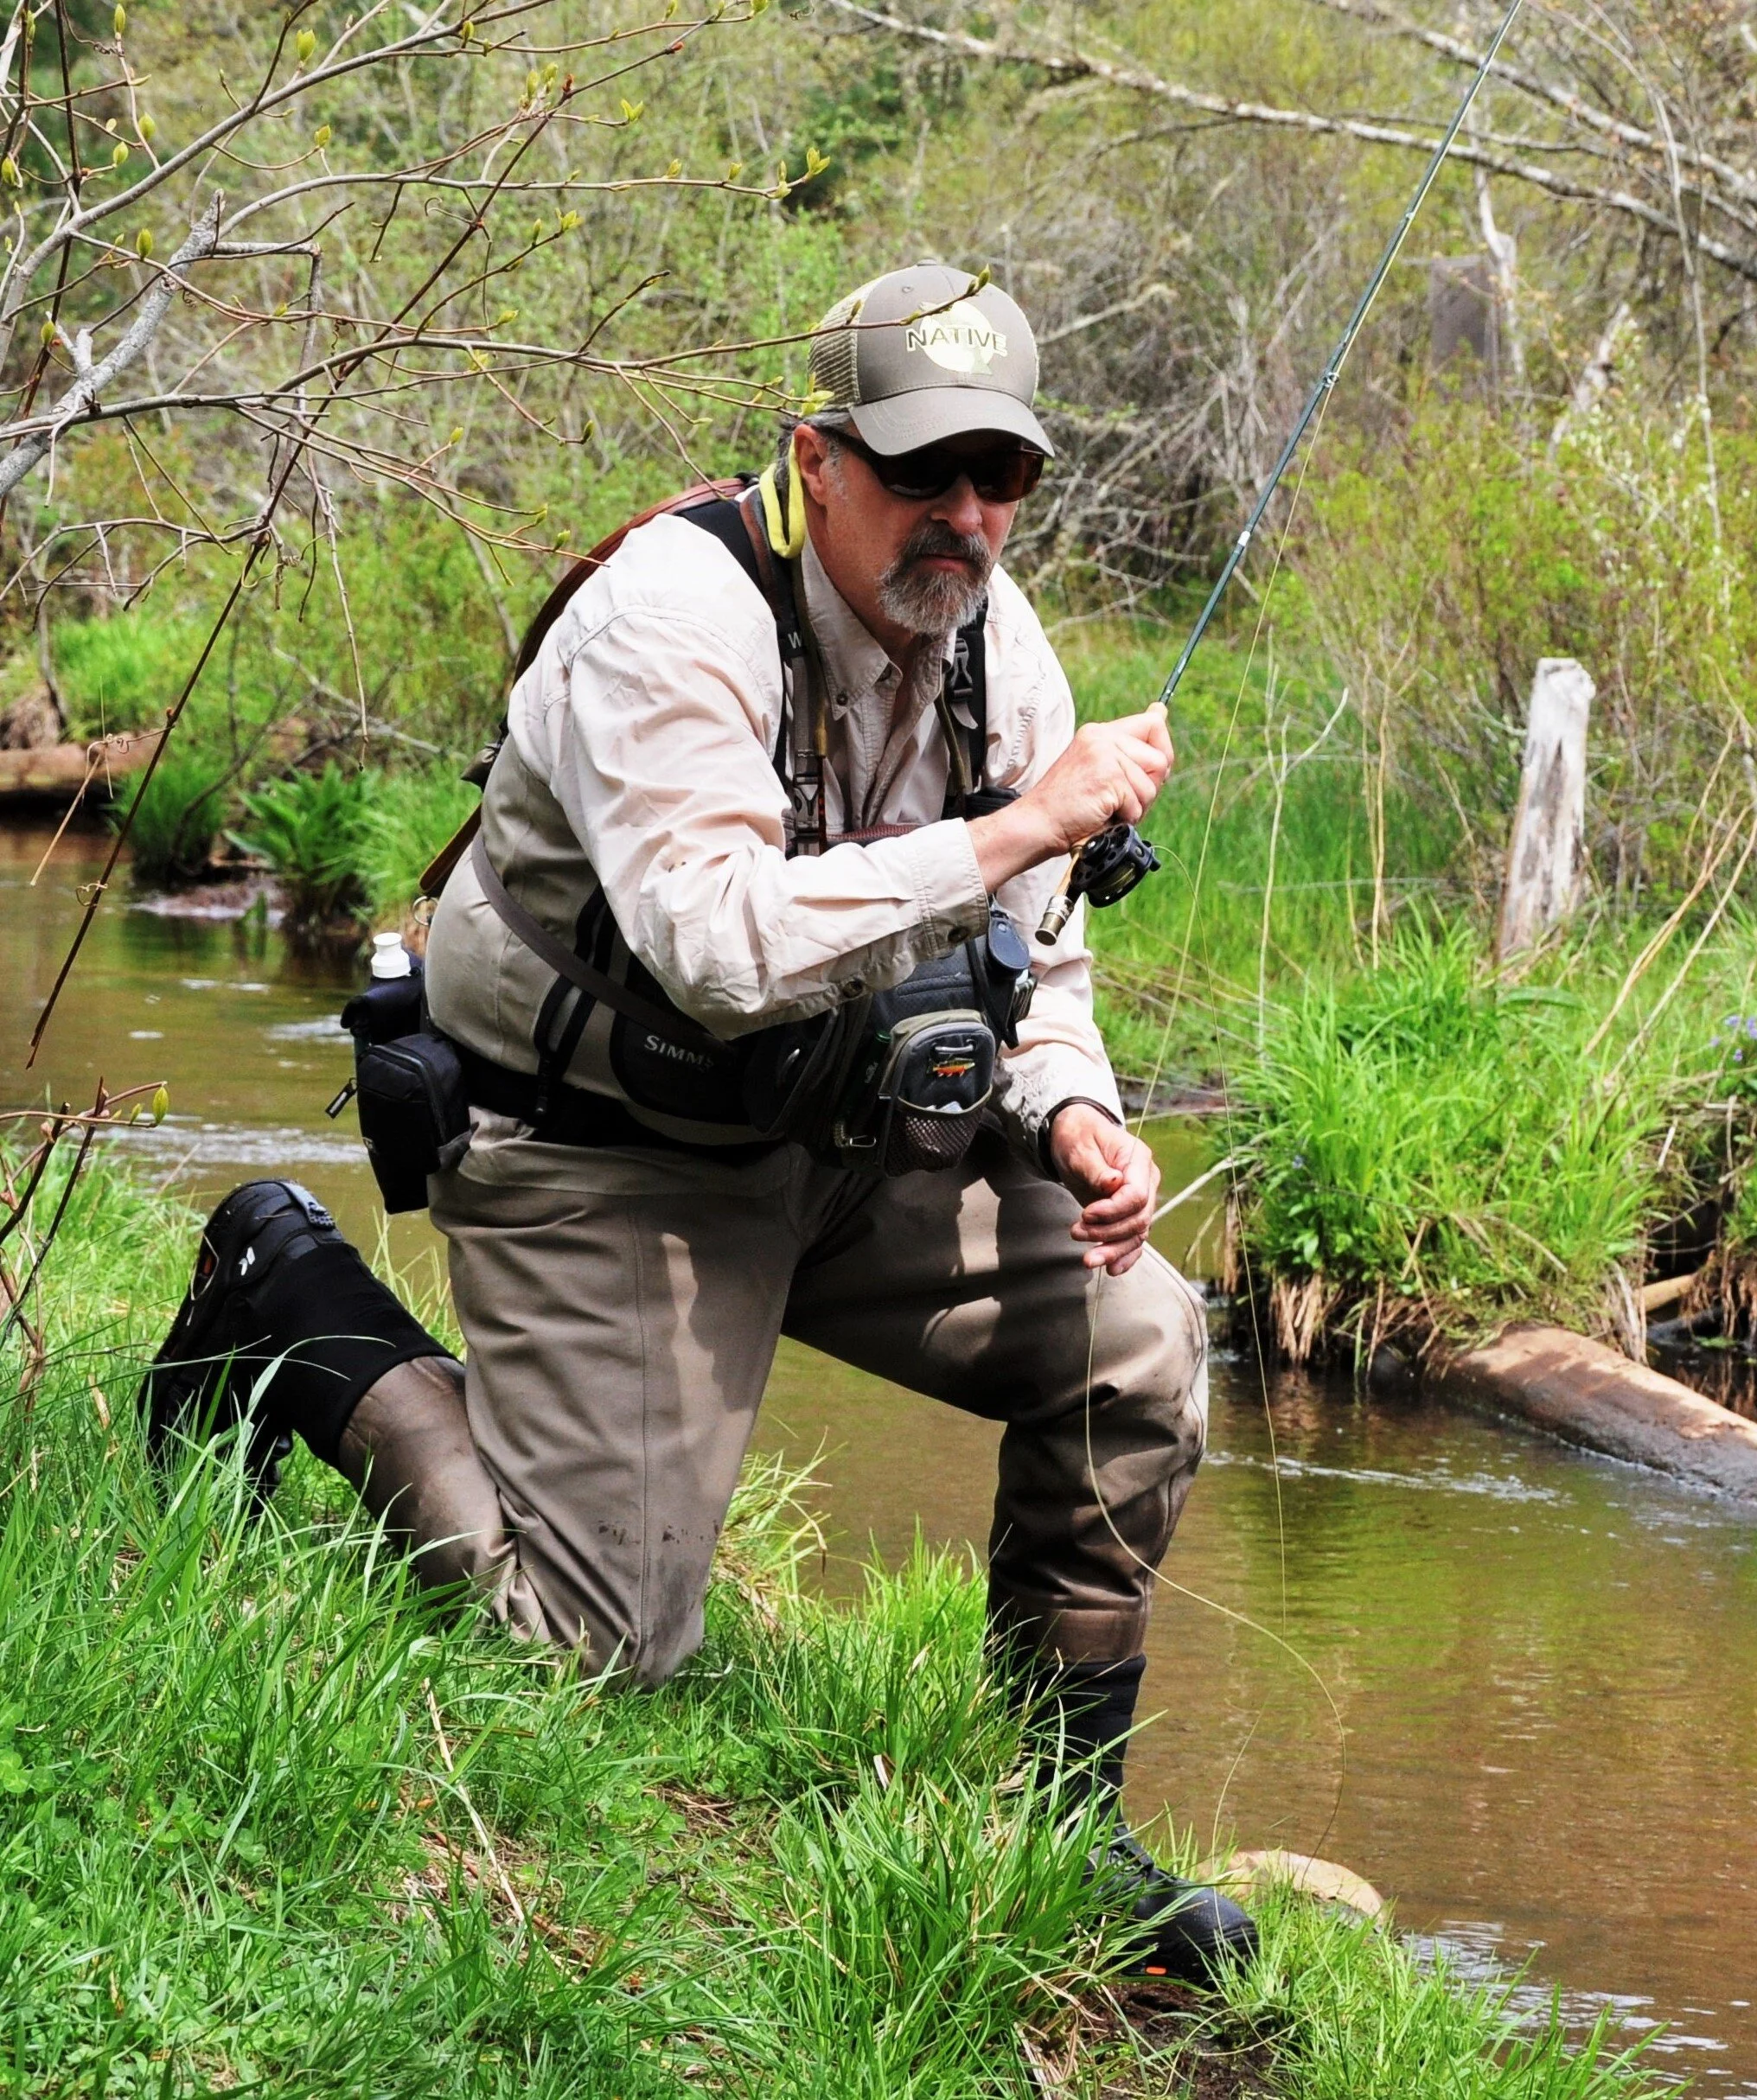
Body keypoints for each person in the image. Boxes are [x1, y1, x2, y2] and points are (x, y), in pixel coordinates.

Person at [144, 263, 1254, 1979]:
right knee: (591, 1644)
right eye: (922, 469)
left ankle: (1060, 1833)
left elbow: (1041, 961)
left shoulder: (996, 642)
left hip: (838, 1142)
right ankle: (289, 1299)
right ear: (816, 458)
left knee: (1144, 1339)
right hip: (599, 1147)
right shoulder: (672, 615)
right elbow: (719, 946)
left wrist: (1073, 1117)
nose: (965, 517)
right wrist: (1017, 826)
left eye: (1003, 476)